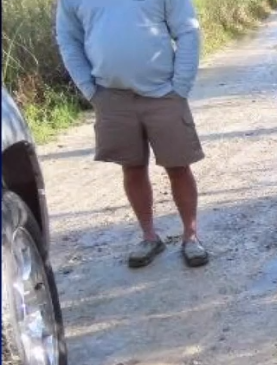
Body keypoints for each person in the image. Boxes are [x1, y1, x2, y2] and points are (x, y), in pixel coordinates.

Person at [55, 0, 210, 268]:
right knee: (132, 168)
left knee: (178, 166)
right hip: (111, 96)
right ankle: (149, 237)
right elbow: (69, 40)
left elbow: (187, 30)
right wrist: (90, 90)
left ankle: (191, 236)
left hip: (165, 94)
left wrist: (180, 86)